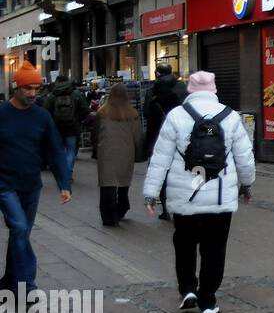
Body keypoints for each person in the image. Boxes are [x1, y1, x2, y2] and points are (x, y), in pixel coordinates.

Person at [143, 71, 255, 313]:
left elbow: (159, 158)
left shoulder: (176, 116)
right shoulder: (231, 117)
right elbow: (245, 158)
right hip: (219, 198)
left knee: (184, 244)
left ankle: (187, 289)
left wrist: (151, 193)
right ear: (214, 90)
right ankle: (208, 299)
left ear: (190, 91)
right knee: (214, 248)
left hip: (185, 198)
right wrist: (247, 185)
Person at [0, 62, 72, 295]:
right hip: (5, 184)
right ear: (16, 87)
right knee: (19, 228)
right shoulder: (2, 113)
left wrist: (64, 183)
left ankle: (10, 281)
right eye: (27, 88)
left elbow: (55, 150)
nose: (32, 93)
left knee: (21, 234)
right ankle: (27, 285)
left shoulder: (42, 116)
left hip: (31, 185)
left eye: (36, 89)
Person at [94, 83, 143, 227]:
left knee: (107, 184)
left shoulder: (102, 112)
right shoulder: (133, 114)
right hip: (126, 151)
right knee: (123, 181)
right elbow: (138, 136)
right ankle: (122, 206)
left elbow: (95, 134)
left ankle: (108, 216)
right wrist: (139, 154)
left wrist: (95, 151)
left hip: (106, 151)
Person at [145, 64, 186, 220]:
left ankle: (166, 208)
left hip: (158, 136)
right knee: (179, 171)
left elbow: (147, 113)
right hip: (181, 135)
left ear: (157, 74)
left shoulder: (153, 90)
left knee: (161, 171)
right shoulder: (183, 87)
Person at [41, 73, 90, 183]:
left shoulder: (52, 95)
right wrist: (78, 119)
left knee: (59, 151)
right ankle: (67, 173)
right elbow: (85, 110)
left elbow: (45, 111)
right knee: (71, 151)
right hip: (72, 127)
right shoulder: (76, 93)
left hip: (56, 128)